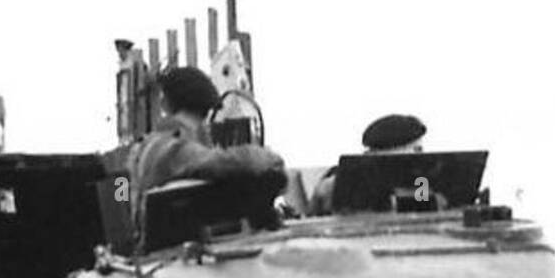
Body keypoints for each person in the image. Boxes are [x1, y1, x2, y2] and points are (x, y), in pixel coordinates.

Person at [127, 65, 286, 247]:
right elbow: (221, 163)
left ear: (167, 105)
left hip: (142, 247)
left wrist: (127, 223)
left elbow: (120, 193)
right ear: (205, 113)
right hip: (172, 252)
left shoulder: (138, 150)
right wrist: (269, 159)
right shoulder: (175, 149)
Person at [308, 114, 429, 216]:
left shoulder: (422, 178)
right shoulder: (343, 177)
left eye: (419, 150)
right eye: (415, 149)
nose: (420, 155)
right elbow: (314, 221)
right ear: (372, 154)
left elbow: (429, 215)